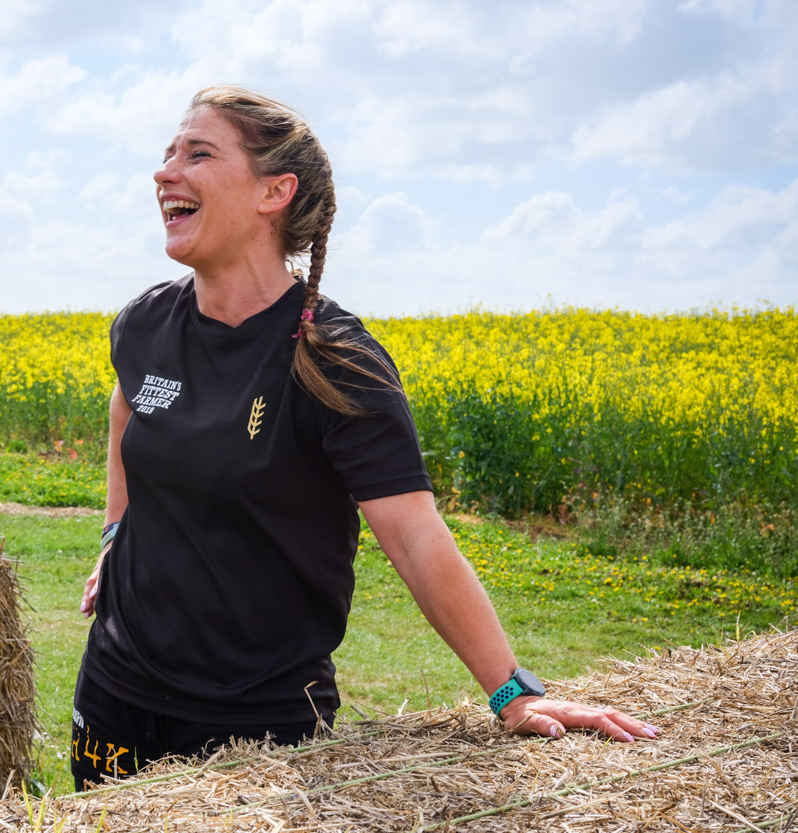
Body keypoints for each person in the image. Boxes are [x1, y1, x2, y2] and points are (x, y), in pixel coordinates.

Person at [70, 85, 659, 791]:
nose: (165, 172)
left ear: (274, 191)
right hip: (112, 694)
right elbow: (128, 407)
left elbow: (413, 536)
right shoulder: (144, 324)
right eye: (168, 152)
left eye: (198, 153)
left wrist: (513, 691)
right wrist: (114, 535)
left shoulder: (332, 359)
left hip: (253, 724)